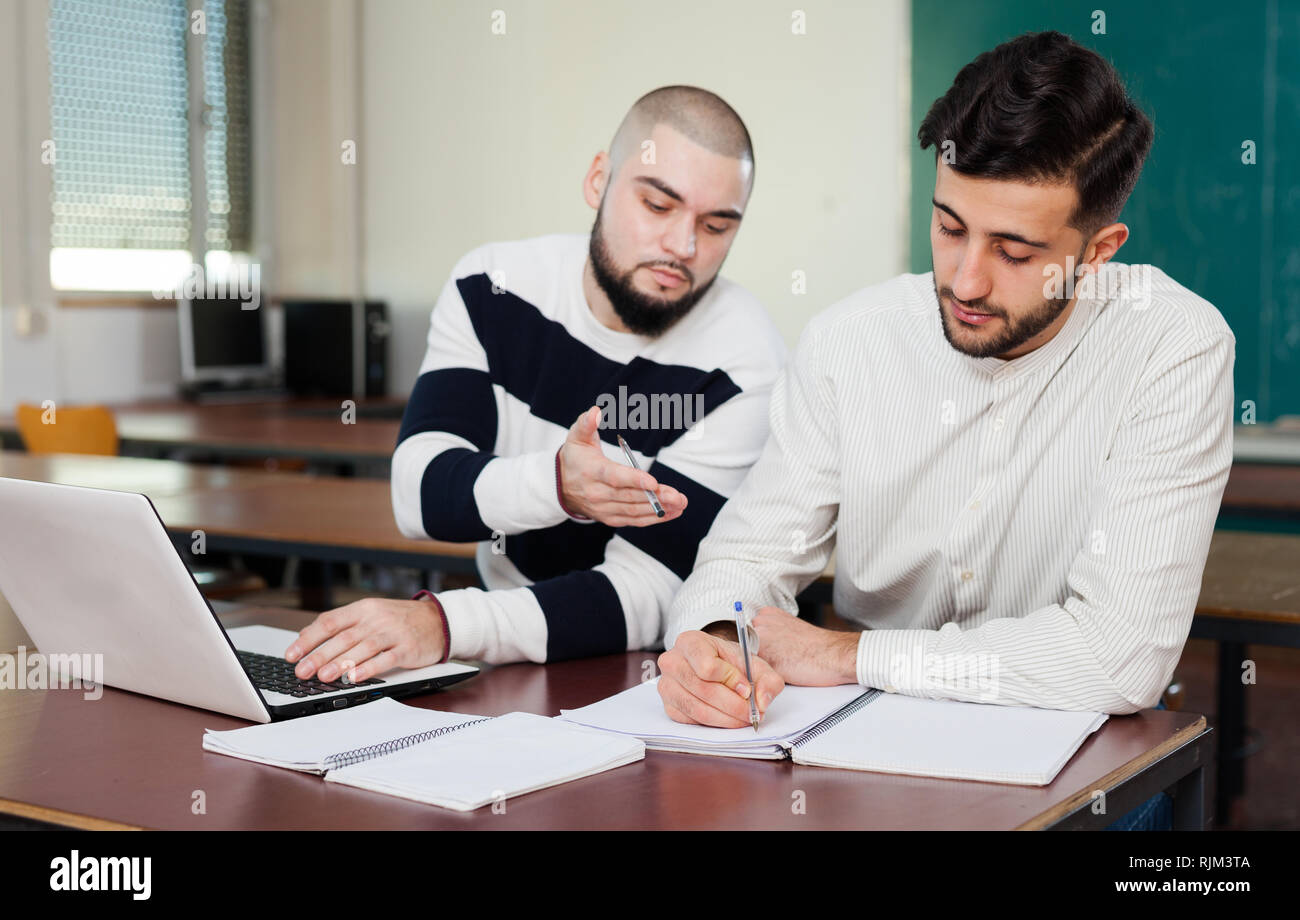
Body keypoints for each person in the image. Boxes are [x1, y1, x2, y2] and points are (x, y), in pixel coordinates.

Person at [658, 32, 1233, 741]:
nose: (966, 281)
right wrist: (715, 639)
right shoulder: (850, 341)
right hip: (855, 728)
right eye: (949, 226)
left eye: (1015, 252)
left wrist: (850, 653)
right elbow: (748, 556)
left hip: (1074, 741)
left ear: (1098, 252)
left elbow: (1118, 658)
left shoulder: (1172, 346)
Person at [283, 86, 786, 680]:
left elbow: (649, 593)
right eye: (657, 206)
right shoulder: (492, 287)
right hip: (503, 655)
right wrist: (559, 486)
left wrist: (447, 626)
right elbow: (418, 494)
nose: (684, 246)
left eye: (717, 224)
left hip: (630, 673)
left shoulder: (747, 361)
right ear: (598, 180)